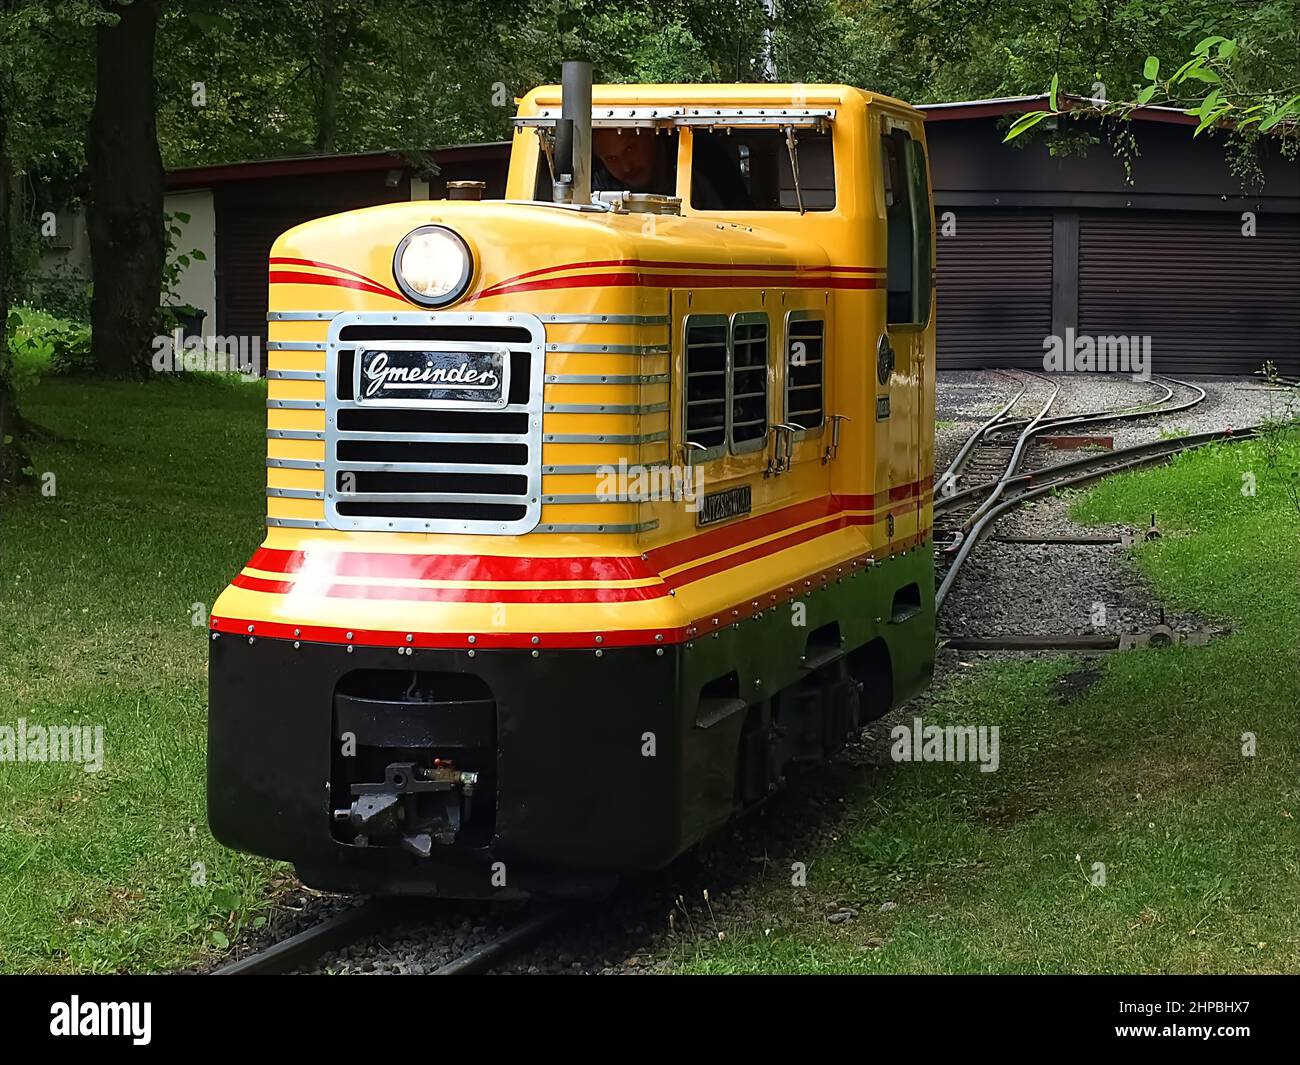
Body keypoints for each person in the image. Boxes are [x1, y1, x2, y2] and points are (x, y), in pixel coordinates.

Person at [591, 128, 676, 194]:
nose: (626, 167)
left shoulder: (685, 163)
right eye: (611, 158)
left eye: (630, 149)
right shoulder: (600, 186)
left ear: (651, 131)